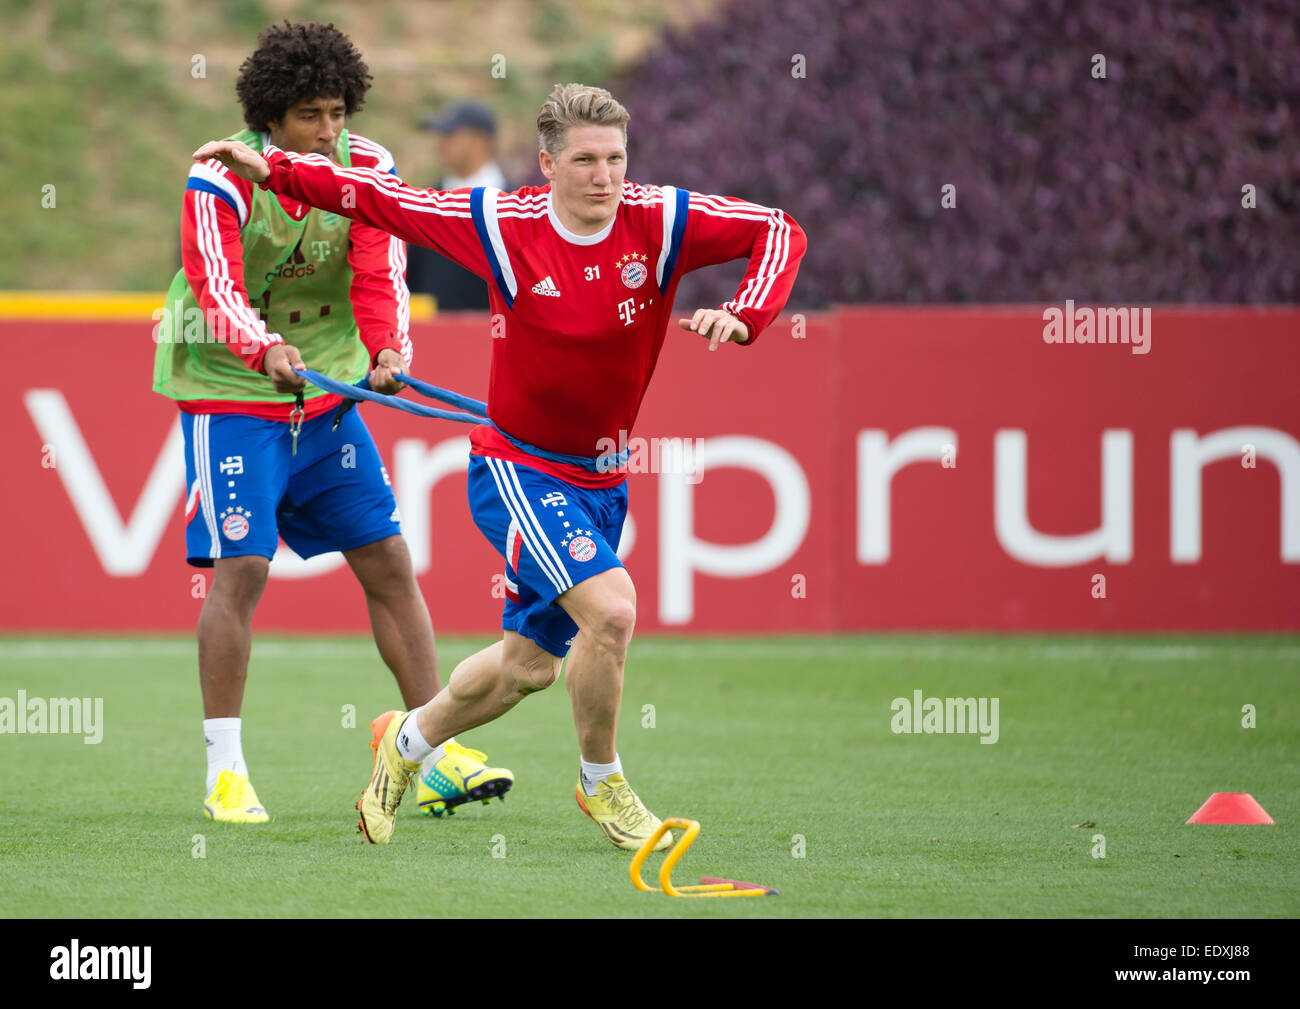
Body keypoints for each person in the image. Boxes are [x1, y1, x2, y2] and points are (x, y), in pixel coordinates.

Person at [194, 82, 806, 847]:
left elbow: (779, 230)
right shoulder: (499, 223)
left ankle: (406, 742)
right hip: (517, 467)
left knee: (527, 668)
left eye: (616, 158)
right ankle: (602, 784)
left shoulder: (662, 218)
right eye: (585, 160)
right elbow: (385, 203)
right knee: (611, 611)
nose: (605, 176)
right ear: (547, 164)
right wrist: (276, 173)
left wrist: (747, 312)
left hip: (603, 477)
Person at [156, 21, 512, 824]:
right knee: (242, 571)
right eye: (313, 115)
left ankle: (429, 745)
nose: (330, 131)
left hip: (325, 390)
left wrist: (387, 349)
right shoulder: (217, 178)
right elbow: (216, 292)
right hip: (231, 388)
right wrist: (265, 348)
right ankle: (225, 771)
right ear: (271, 118)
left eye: (339, 113)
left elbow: (379, 269)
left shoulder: (369, 167)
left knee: (387, 557)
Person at [406, 102, 506, 310]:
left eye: (451, 135)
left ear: (480, 140)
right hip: (433, 337)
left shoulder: (515, 205)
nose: (442, 144)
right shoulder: (424, 205)